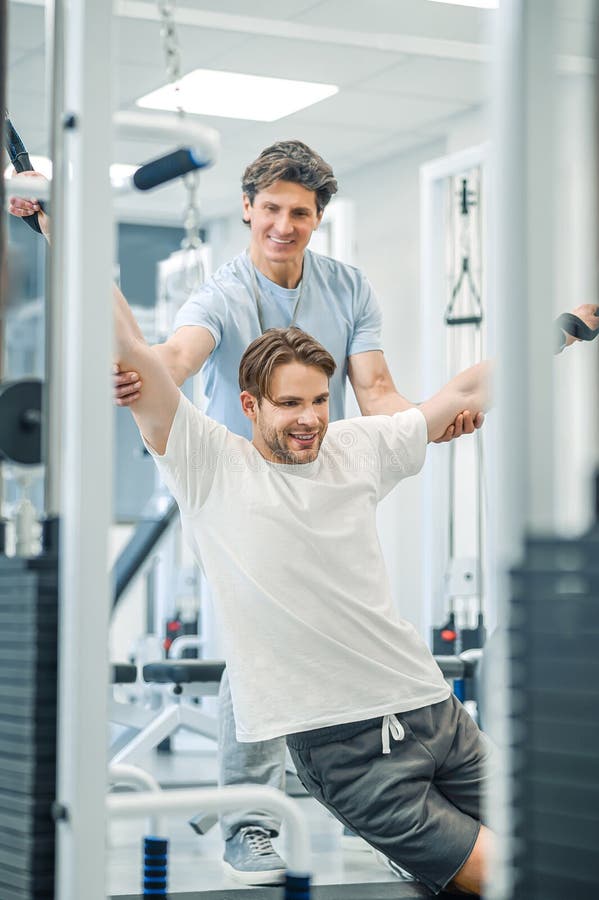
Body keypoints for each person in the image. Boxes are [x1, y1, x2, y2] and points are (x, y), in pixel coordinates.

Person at [10, 144, 481, 886]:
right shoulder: (222, 291)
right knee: (264, 634)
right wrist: (77, 258)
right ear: (246, 209)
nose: (283, 226)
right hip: (237, 482)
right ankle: (250, 820)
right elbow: (171, 357)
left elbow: (379, 392)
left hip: (320, 472)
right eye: (271, 210)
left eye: (299, 213)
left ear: (317, 218)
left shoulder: (347, 288)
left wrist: (423, 423)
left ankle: (401, 804)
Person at [111, 300, 492, 895]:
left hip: (436, 711)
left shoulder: (357, 445)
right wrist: (60, 231)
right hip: (349, 753)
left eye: (319, 400)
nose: (310, 418)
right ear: (250, 405)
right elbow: (135, 354)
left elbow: (463, 390)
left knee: (565, 842)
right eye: (290, 403)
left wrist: (565, 332)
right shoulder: (209, 465)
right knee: (512, 872)